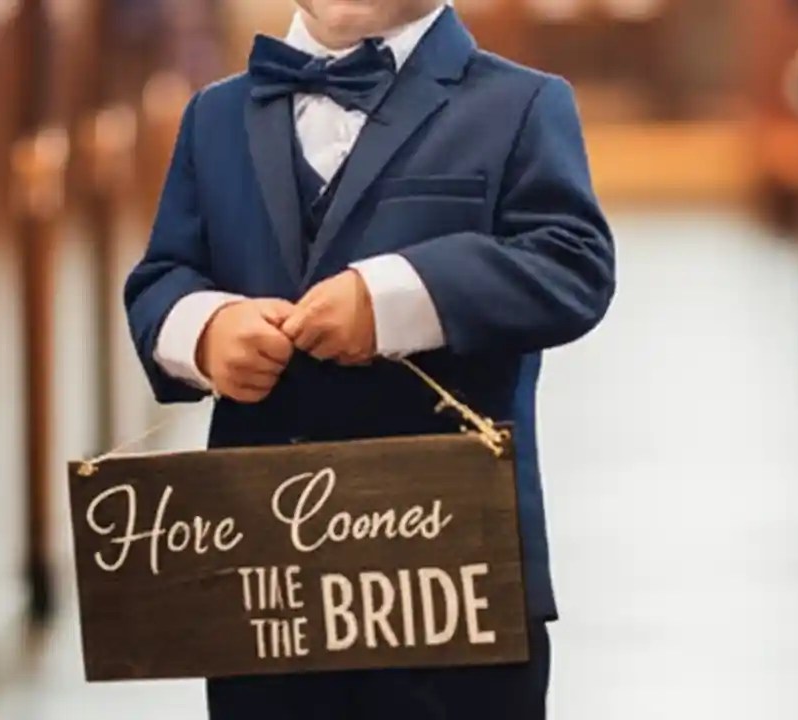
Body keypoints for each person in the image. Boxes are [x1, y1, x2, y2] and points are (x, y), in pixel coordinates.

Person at [124, 1, 616, 717]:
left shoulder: (521, 102)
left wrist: (394, 299)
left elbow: (572, 265)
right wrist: (202, 329)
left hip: (452, 576)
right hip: (268, 580)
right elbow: (163, 276)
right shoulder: (215, 116)